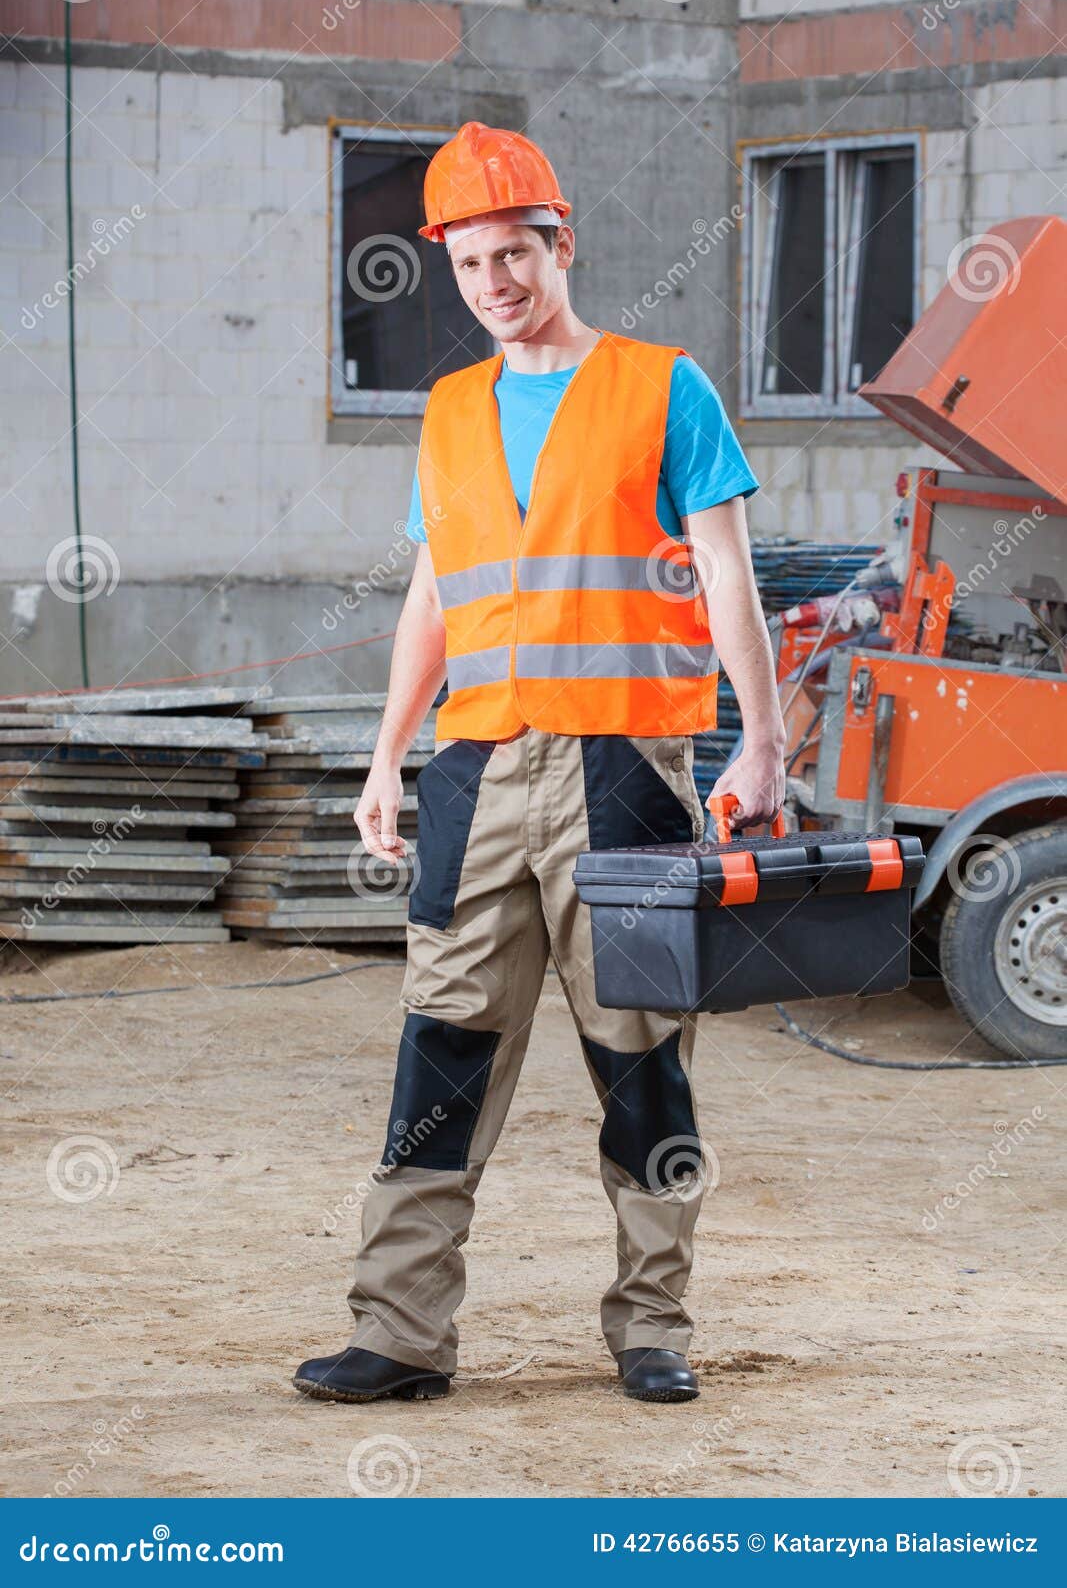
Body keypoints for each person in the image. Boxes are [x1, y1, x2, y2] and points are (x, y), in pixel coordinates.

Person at [294, 122, 785, 1405]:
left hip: (624, 772)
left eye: (514, 254)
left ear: (561, 246)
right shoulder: (450, 412)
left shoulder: (661, 388)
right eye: (468, 264)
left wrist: (767, 742)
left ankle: (651, 1327)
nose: (493, 282)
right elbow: (434, 594)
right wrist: (386, 752)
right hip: (473, 777)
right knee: (438, 1052)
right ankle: (399, 1335)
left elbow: (726, 575)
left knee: (638, 1059)